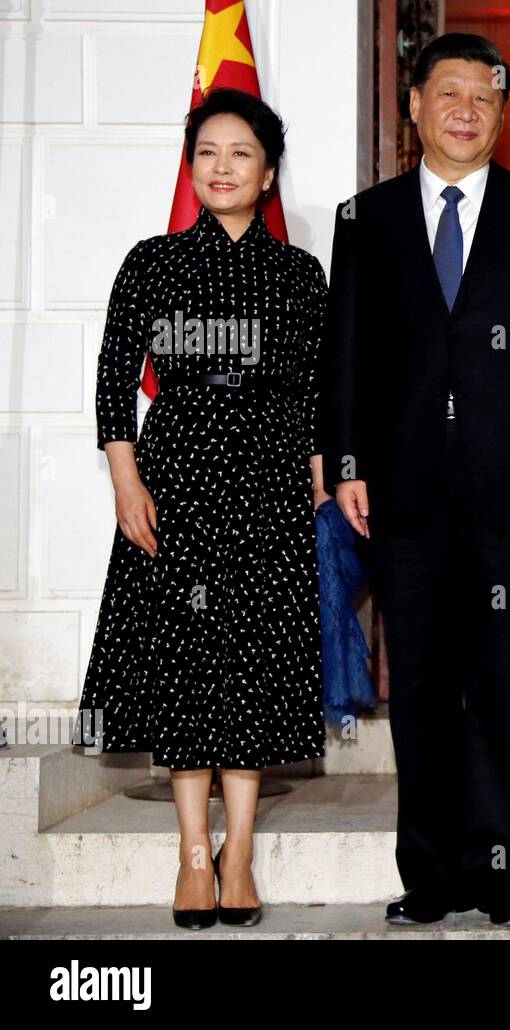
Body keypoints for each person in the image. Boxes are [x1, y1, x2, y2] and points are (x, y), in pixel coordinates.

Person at [322, 33, 510, 928]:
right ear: (413, 106)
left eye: (484, 96)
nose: (466, 111)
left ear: (503, 112)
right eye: (448, 93)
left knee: (506, 683)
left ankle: (506, 876)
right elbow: (346, 357)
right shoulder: (365, 218)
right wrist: (347, 463)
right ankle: (430, 875)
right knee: (425, 690)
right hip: (401, 492)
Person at [78, 88, 329, 929]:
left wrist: (319, 469)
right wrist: (126, 480)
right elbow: (116, 381)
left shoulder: (299, 272)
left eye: (241, 154)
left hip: (266, 478)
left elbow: (317, 389)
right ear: (192, 168)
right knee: (187, 664)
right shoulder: (151, 260)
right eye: (208, 153)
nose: (222, 167)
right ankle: (194, 856)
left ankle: (242, 852)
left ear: (266, 176)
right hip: (176, 471)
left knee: (253, 659)